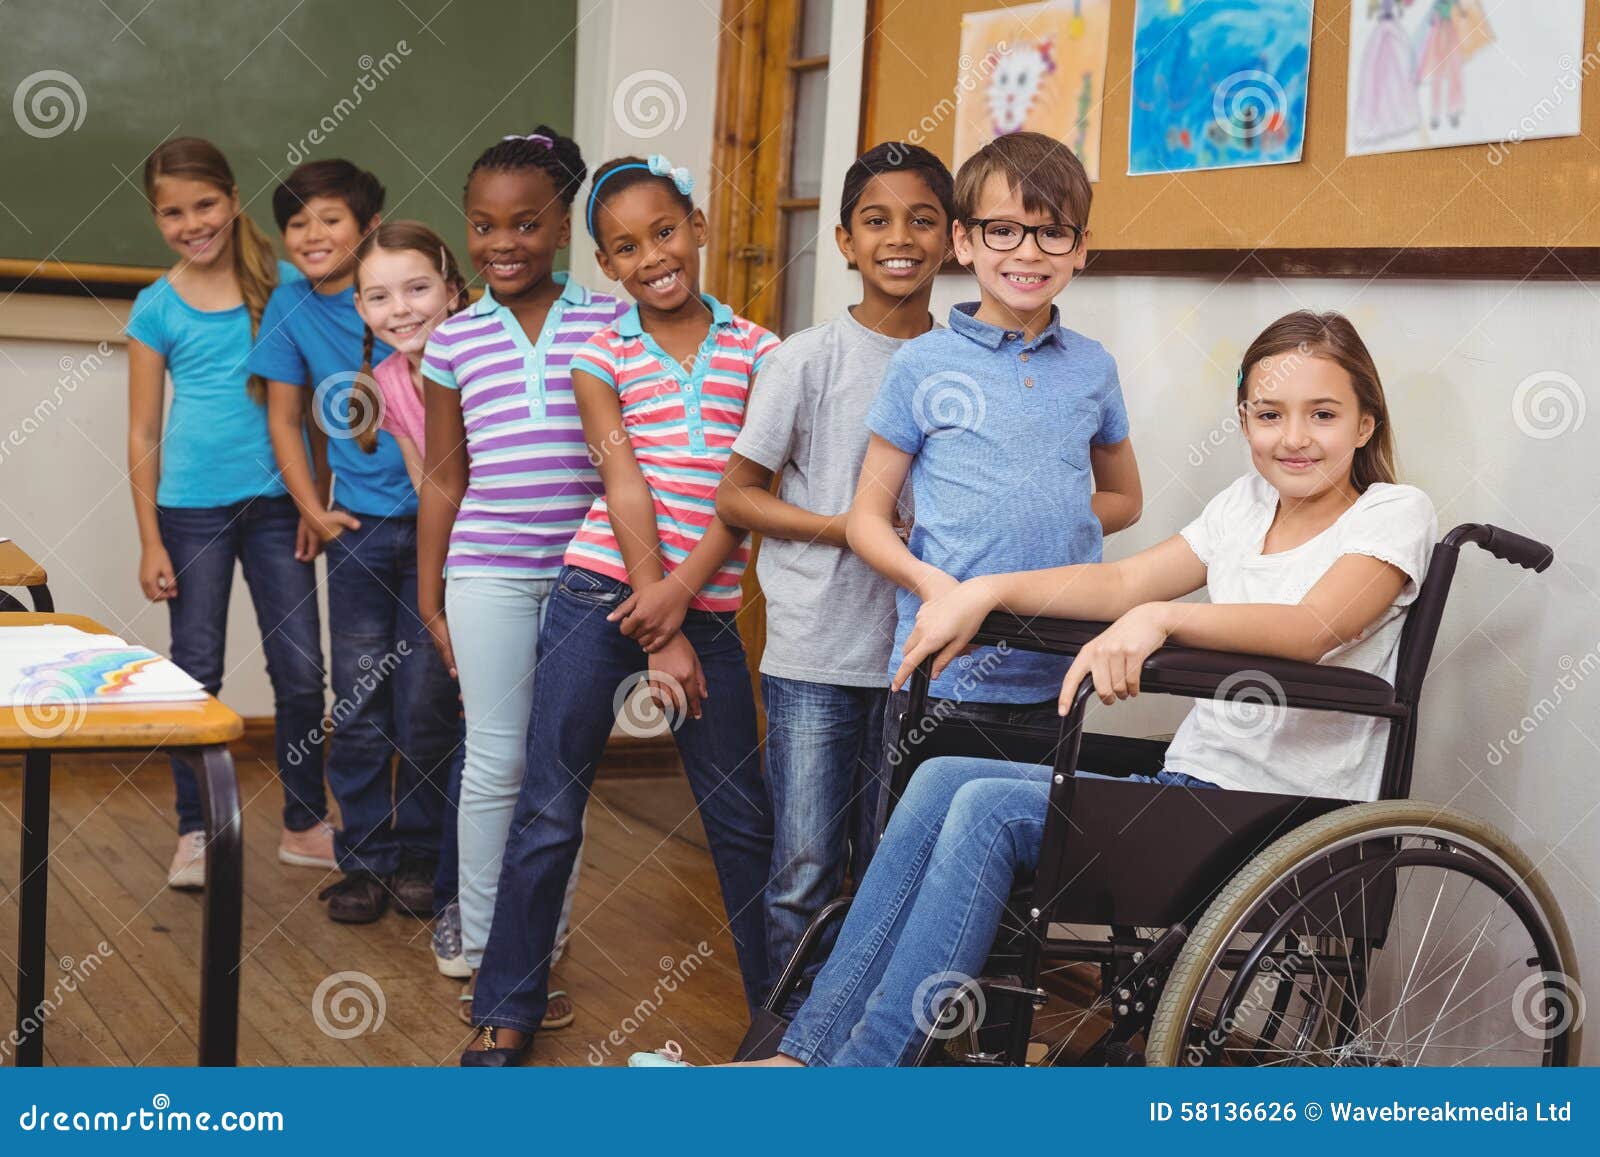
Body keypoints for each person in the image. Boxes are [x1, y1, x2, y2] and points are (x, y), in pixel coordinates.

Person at [632, 309, 1437, 1066]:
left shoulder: (1394, 512)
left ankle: (861, 1074)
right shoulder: (1244, 505)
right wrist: (990, 591)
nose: (1294, 437)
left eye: (1322, 414)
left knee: (988, 806)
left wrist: (1164, 620)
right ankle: (800, 1055)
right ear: (1245, 422)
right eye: (1270, 414)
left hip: (1288, 816)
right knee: (944, 774)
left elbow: (1315, 628)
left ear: (1364, 424)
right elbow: (1121, 577)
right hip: (1197, 792)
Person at [463, 154, 776, 1065]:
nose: (652, 258)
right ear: (605, 263)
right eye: (627, 247)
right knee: (550, 804)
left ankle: (783, 1017)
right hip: (600, 590)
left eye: (666, 233)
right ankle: (506, 1003)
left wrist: (680, 609)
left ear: (701, 226)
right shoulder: (600, 355)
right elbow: (624, 482)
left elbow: (742, 490)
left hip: (702, 606)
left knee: (740, 816)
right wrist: (656, 606)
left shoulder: (761, 353)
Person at [845, 130, 1141, 847]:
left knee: (1015, 872)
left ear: (1081, 248)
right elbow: (865, 520)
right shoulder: (922, 363)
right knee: (914, 861)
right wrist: (933, 581)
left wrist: (1049, 528)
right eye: (1003, 230)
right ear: (963, 242)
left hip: (1056, 674)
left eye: (1051, 233)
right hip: (942, 678)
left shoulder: (1092, 367)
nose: (1029, 252)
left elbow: (1124, 499)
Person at [714, 141, 955, 1005]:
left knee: (897, 866)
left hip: (921, 659)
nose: (901, 238)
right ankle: (786, 1046)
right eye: (878, 221)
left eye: (923, 219)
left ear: (953, 238)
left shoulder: (963, 362)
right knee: (804, 871)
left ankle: (864, 1047)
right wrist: (846, 529)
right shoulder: (805, 359)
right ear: (847, 242)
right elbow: (737, 497)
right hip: (816, 653)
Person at [418, 129, 627, 1026]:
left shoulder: (612, 325)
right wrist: (429, 594)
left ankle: (534, 941)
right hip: (488, 573)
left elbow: (635, 462)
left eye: (527, 223)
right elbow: (443, 475)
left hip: (589, 578)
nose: (504, 241)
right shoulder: (454, 339)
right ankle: (476, 935)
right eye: (484, 224)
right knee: (497, 758)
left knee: (563, 765)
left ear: (563, 225)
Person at [253, 159, 461, 924]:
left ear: (369, 227)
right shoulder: (291, 305)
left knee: (427, 704)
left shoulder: (420, 304)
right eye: (297, 222)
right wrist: (315, 505)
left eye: (330, 219)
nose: (313, 235)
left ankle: (421, 858)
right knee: (363, 700)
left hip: (448, 536)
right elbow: (285, 415)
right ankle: (366, 860)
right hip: (364, 534)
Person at [125, 137, 331, 890]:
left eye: (204, 204)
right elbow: (144, 431)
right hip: (190, 513)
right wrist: (150, 538)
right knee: (195, 670)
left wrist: (317, 499)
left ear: (234, 198)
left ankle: (306, 823)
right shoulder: (157, 306)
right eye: (172, 212)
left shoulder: (283, 287)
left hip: (281, 508)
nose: (192, 223)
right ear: (157, 219)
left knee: (302, 670)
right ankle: (196, 830)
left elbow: (312, 407)